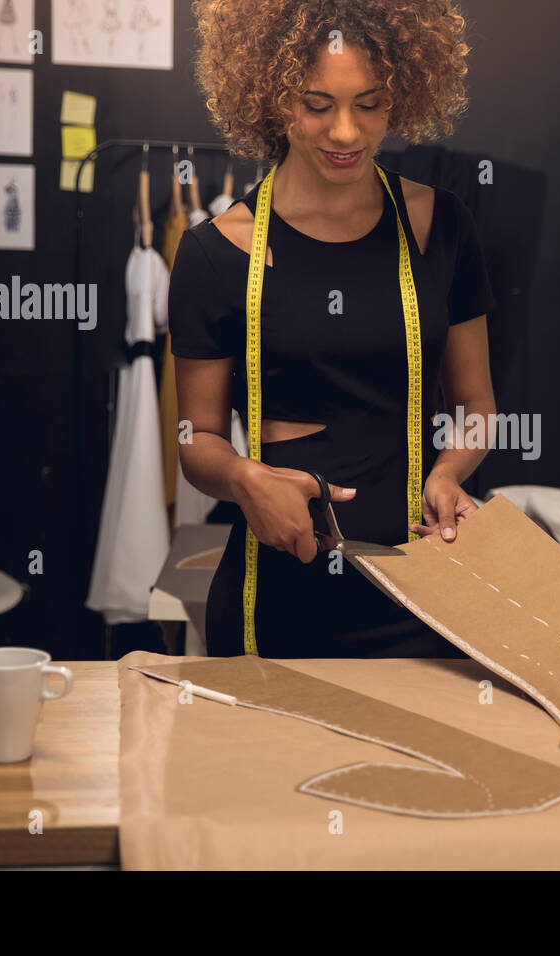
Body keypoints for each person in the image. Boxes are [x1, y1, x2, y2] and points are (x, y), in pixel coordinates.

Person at [170, 0, 496, 658]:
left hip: (424, 600)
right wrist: (241, 478)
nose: (345, 132)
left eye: (369, 104)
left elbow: (478, 406)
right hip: (276, 604)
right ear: (270, 95)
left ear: (402, 93)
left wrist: (449, 473)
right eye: (317, 105)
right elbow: (196, 438)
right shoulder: (215, 253)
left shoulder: (442, 226)